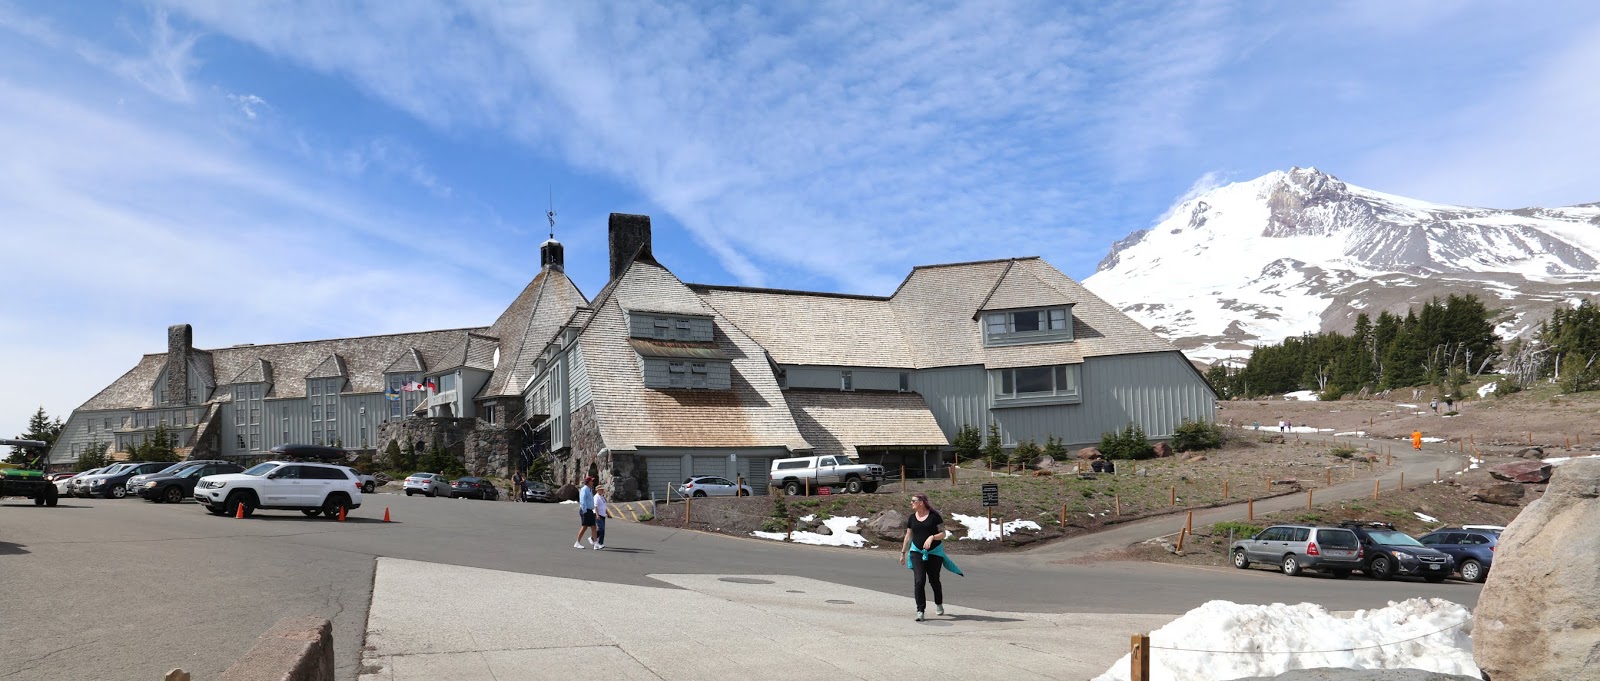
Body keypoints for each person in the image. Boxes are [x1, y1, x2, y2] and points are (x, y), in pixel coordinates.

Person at [900, 493, 963, 622]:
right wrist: (902, 553)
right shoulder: (912, 518)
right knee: (919, 580)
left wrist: (932, 537)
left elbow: (943, 534)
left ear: (921, 502)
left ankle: (938, 603)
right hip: (917, 552)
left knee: (934, 580)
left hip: (934, 553)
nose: (911, 503)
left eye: (913, 501)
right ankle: (920, 611)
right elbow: (908, 536)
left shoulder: (934, 517)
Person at [574, 477, 597, 549]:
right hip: (586, 510)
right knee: (584, 527)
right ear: (588, 482)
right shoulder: (584, 489)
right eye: (591, 481)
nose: (593, 482)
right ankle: (577, 542)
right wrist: (584, 511)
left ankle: (596, 544)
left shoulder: (589, 490)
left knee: (593, 526)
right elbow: (583, 501)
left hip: (590, 510)